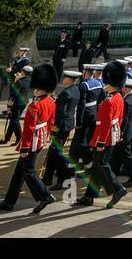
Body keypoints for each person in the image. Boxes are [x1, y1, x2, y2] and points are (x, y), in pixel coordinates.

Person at [0, 62, 57, 212]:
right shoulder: (51, 101)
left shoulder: (35, 105)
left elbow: (28, 128)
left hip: (32, 140)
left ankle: (45, 195)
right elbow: (51, 122)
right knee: (19, 172)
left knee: (29, 171)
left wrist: (25, 147)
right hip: (40, 138)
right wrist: (46, 136)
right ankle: (9, 202)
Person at [73, 59, 127, 208]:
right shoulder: (118, 97)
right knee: (97, 167)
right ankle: (89, 196)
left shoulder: (109, 101)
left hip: (104, 138)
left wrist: (101, 142)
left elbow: (105, 124)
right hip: (112, 135)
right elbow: (120, 119)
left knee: (102, 164)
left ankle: (118, 188)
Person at [43, 68, 81, 189]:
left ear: (69, 80)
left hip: (60, 125)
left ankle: (63, 178)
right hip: (68, 124)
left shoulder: (65, 93)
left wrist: (54, 129)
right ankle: (47, 177)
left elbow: (60, 113)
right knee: (52, 151)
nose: (63, 79)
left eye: (65, 78)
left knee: (55, 153)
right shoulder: (75, 89)